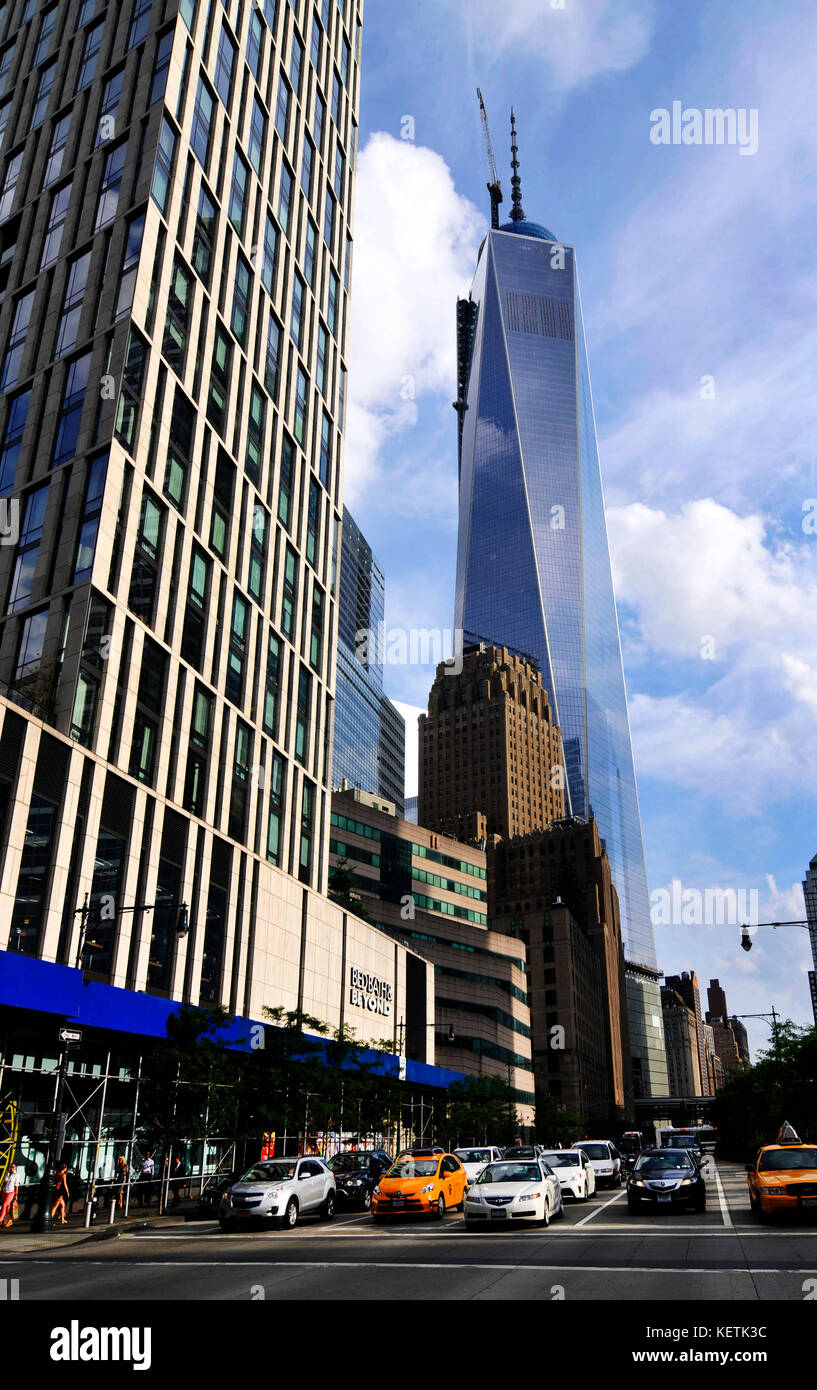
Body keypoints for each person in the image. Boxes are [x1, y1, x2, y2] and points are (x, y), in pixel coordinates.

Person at [0, 1162, 21, 1228]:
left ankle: (0, 1219)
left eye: (13, 1167)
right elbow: (4, 1182)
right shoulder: (7, 1173)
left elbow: (16, 1185)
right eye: (11, 1166)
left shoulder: (16, 1175)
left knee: (4, 1204)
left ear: (15, 1168)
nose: (11, 1168)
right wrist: (1, 1191)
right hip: (4, 1192)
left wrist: (16, 1195)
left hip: (11, 1192)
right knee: (7, 1207)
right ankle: (10, 1220)